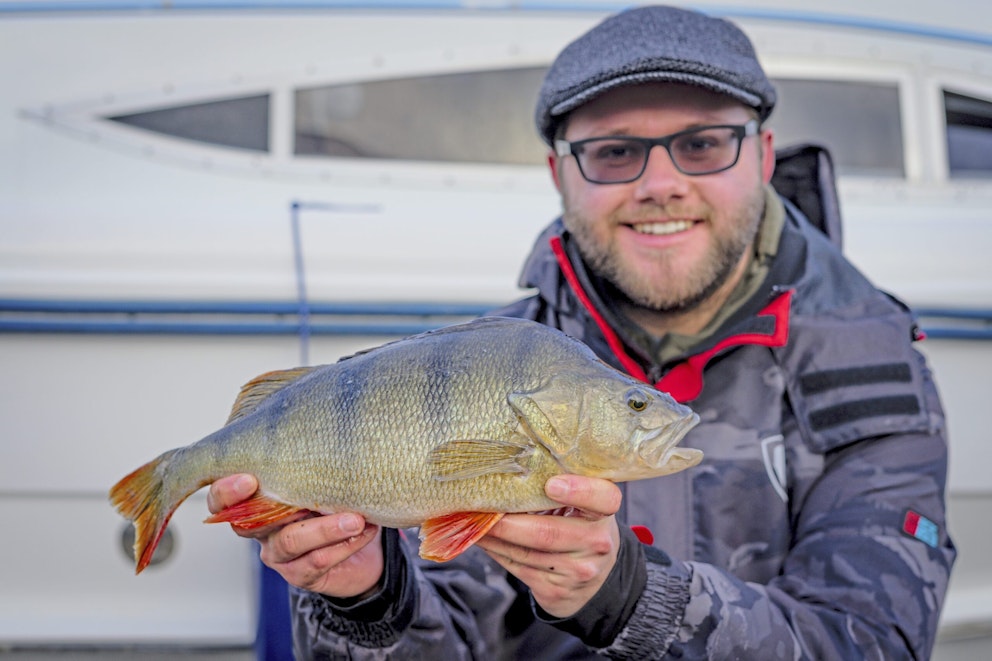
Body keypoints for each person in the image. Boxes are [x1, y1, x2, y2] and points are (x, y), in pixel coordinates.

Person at [208, 6, 955, 658]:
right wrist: (367, 599)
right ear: (558, 173)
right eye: (614, 152)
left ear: (762, 156)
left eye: (703, 144)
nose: (660, 184)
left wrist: (631, 596)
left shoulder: (869, 358)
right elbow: (441, 637)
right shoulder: (494, 364)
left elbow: (874, 639)